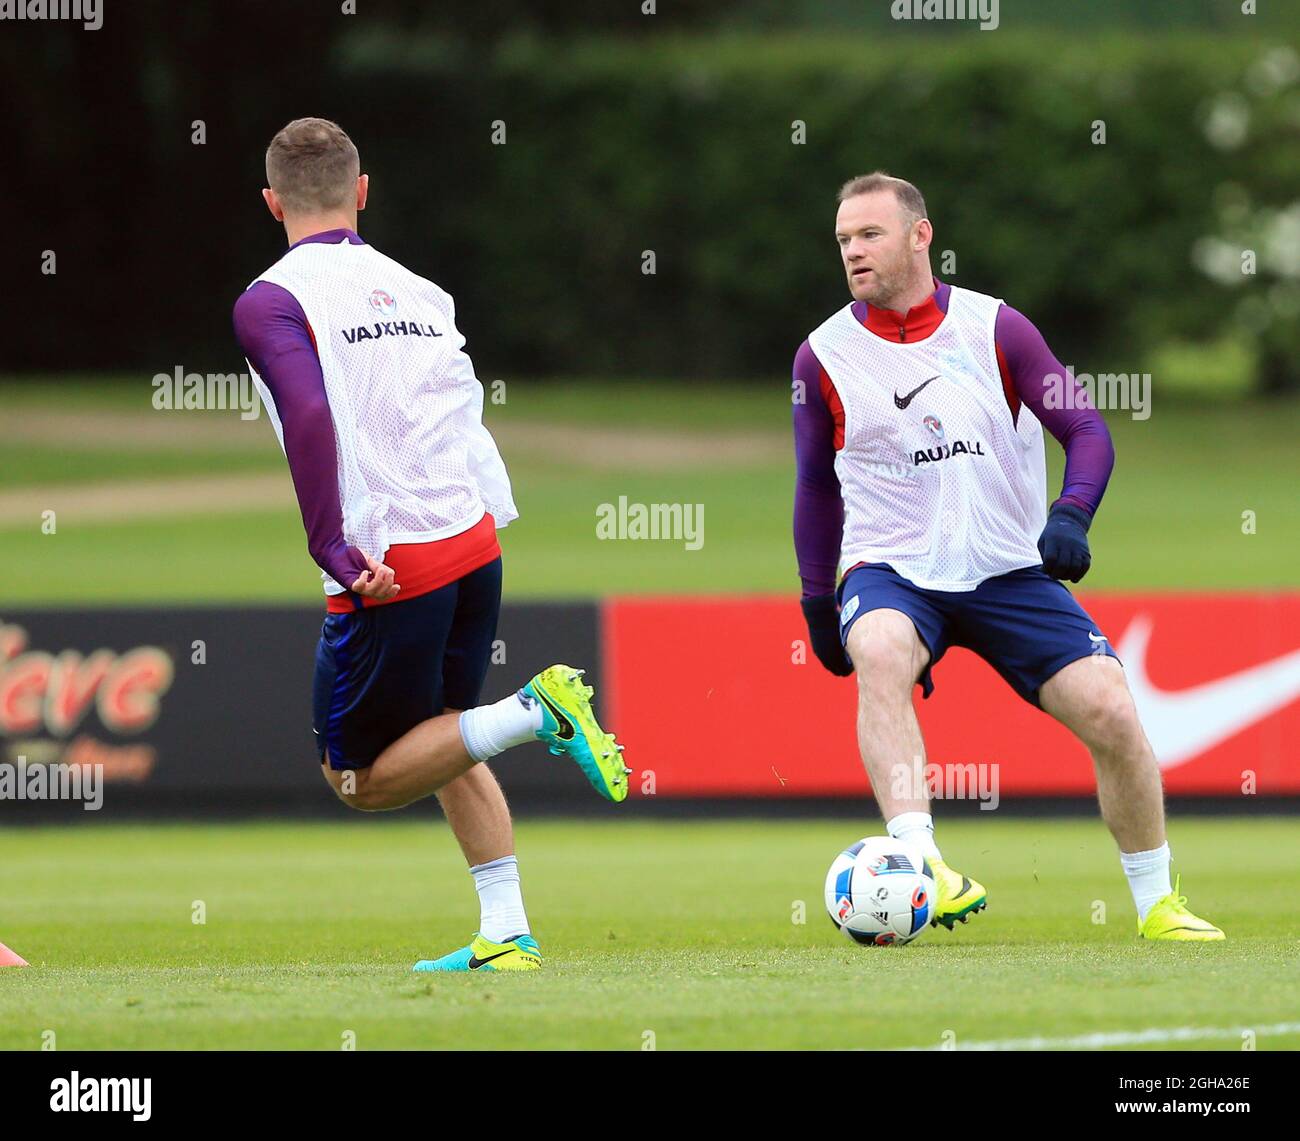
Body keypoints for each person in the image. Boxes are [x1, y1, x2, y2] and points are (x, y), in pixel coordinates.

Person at [233, 117, 629, 973]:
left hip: (388, 564)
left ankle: (537, 711)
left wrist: (332, 548)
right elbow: (462, 405)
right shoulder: (421, 289)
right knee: (448, 734)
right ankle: (507, 932)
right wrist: (487, 519)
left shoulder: (270, 299)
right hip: (473, 538)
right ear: (362, 189)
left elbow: (308, 413)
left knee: (360, 779)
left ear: (271, 203)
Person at [793, 171, 1222, 941]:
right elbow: (817, 491)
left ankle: (1160, 904)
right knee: (882, 649)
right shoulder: (822, 356)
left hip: (1007, 570)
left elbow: (1088, 430)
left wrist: (1072, 515)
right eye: (844, 240)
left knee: (1114, 711)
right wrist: (818, 603)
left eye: (870, 234)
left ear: (921, 234)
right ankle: (924, 864)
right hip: (891, 568)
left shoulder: (997, 329)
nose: (853, 252)